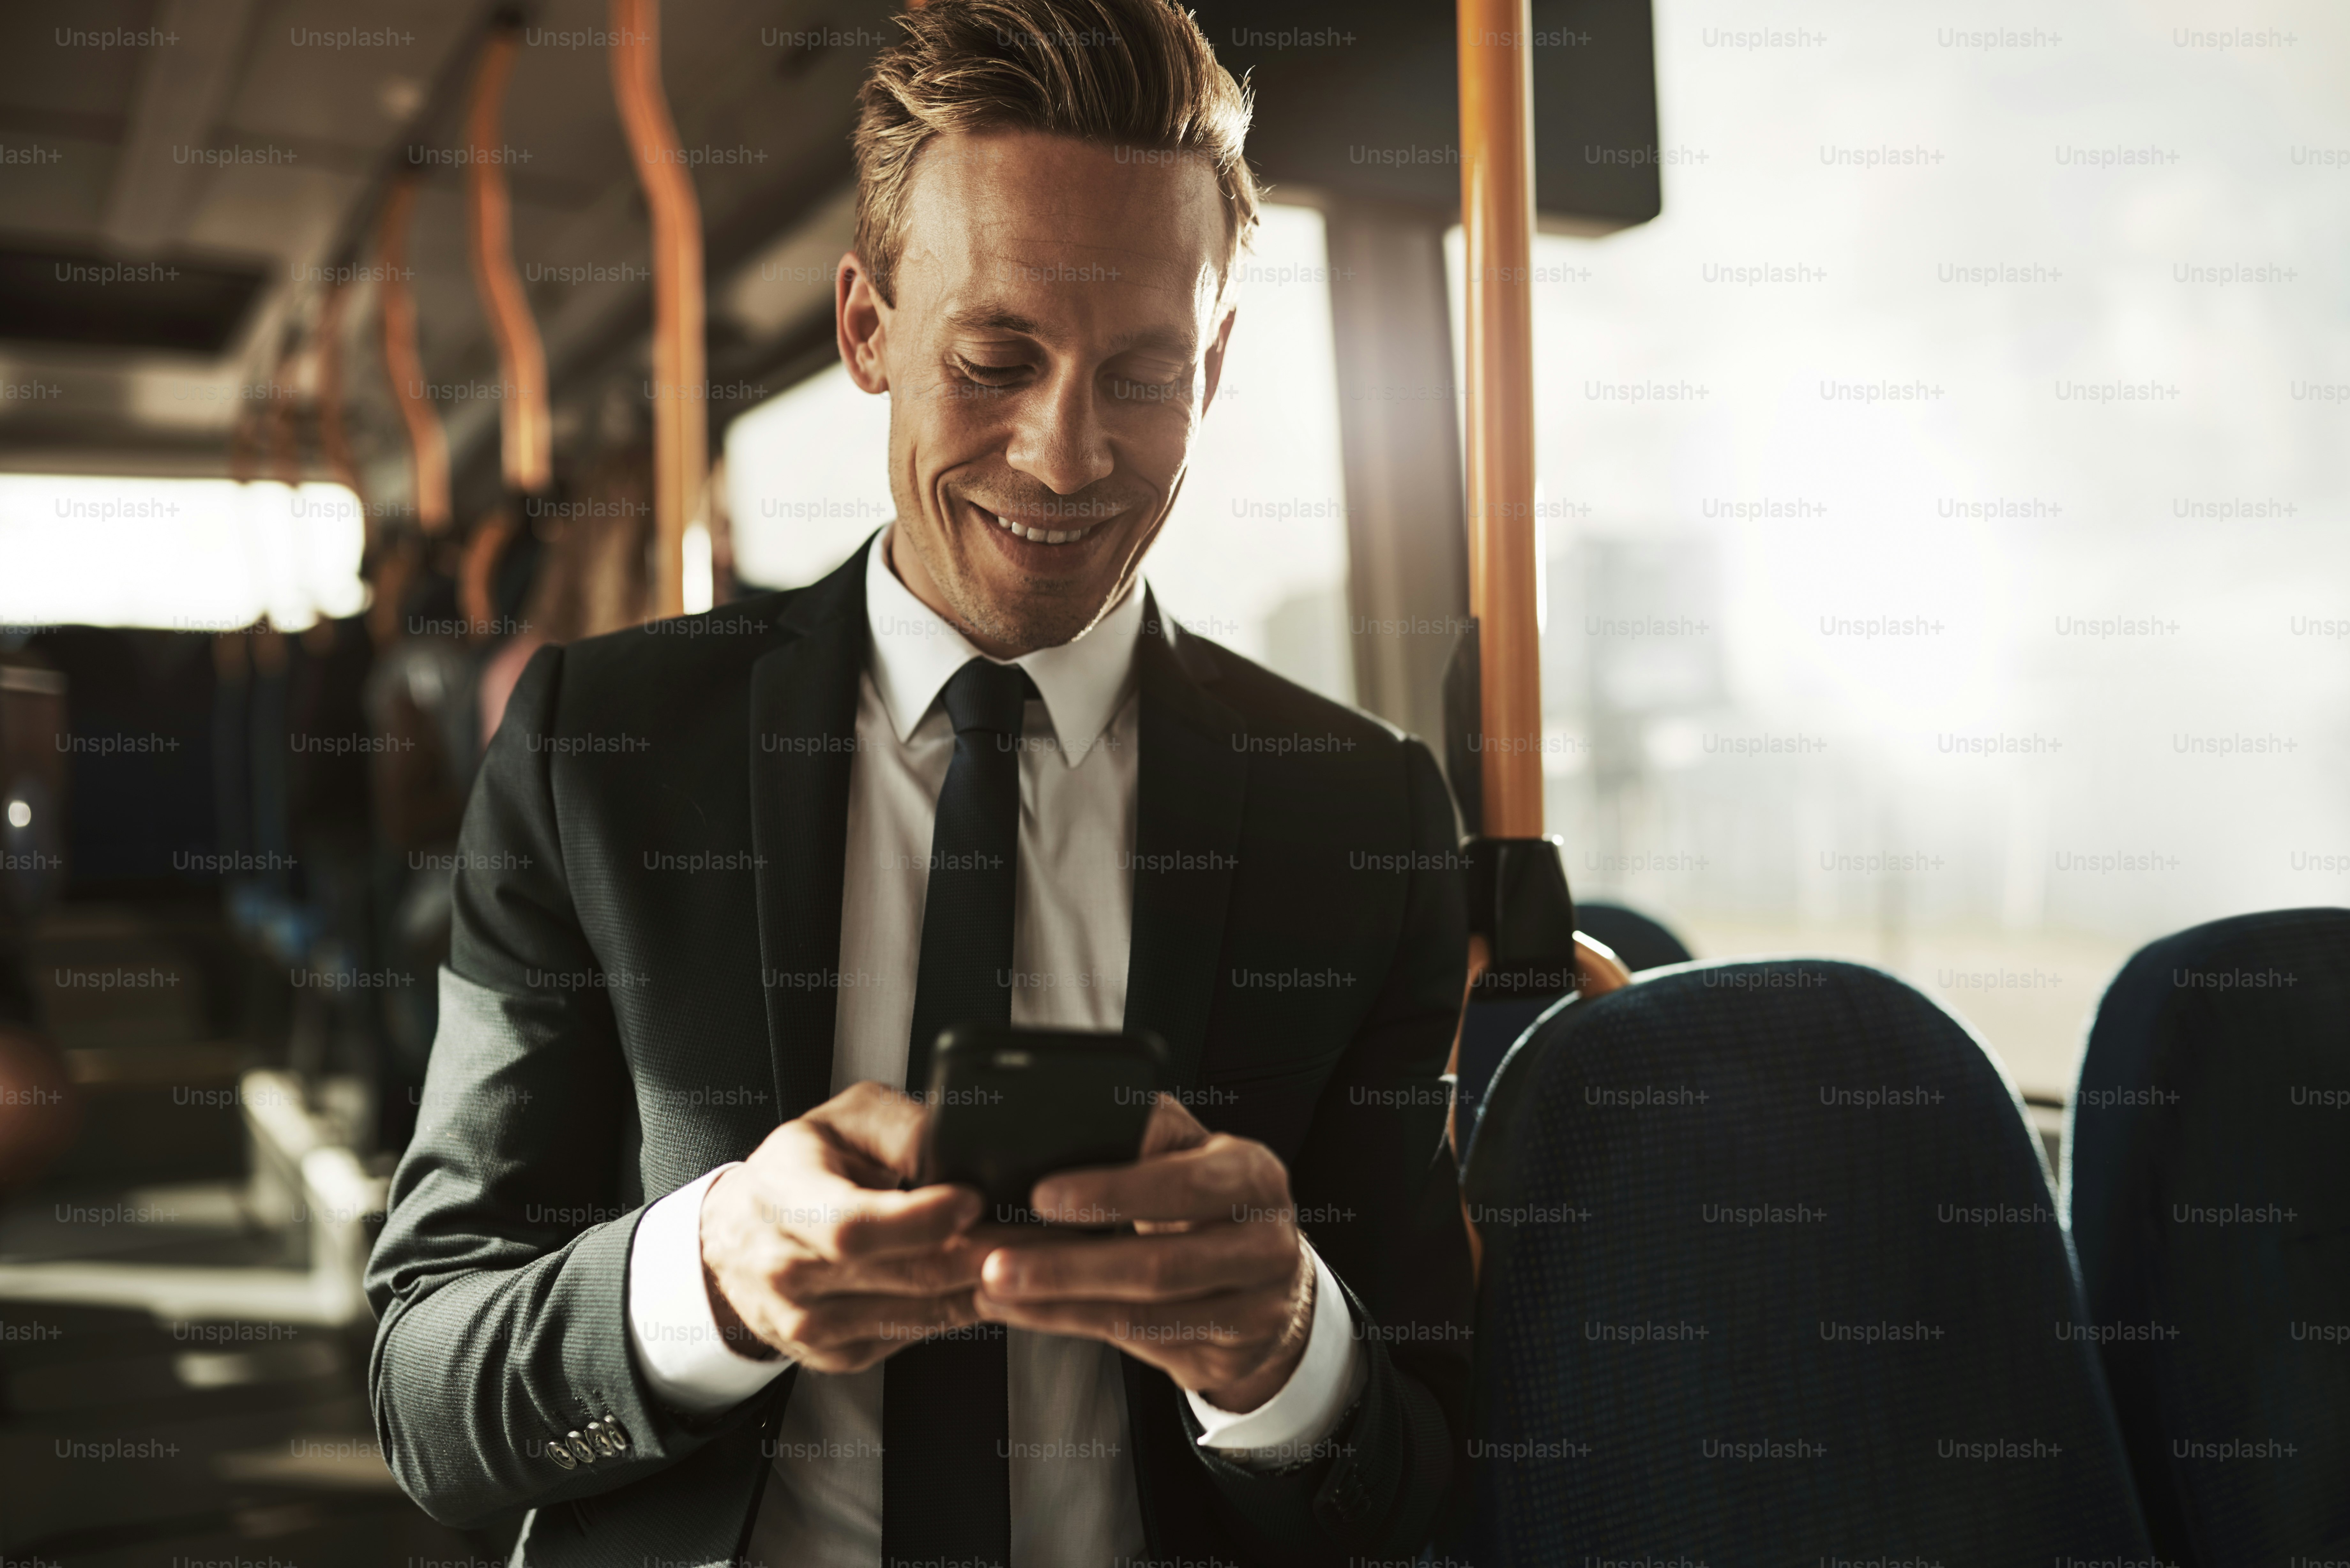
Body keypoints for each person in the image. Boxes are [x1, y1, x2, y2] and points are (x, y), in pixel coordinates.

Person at [365, 2, 1616, 1562]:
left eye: (1145, 374)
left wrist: (1285, 1356)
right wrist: (709, 1280)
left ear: (1214, 366)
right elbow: (428, 1392)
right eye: (996, 357)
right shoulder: (600, 756)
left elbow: (1421, 1467)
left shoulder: (1357, 819)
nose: (1067, 455)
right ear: (866, 330)